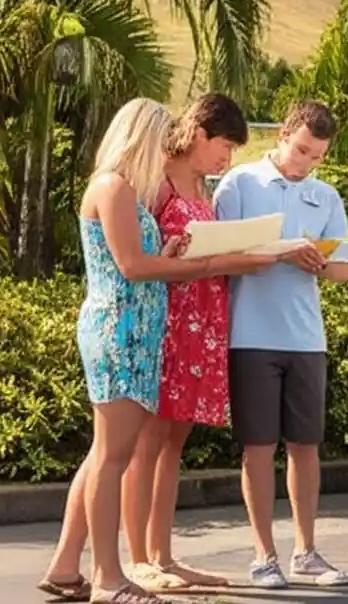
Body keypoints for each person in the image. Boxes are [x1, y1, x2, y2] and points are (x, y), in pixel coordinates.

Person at [36, 98, 271, 604]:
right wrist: (209, 266)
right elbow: (133, 268)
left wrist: (170, 255)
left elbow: (143, 259)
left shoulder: (126, 192)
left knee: (103, 454)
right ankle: (107, 577)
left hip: (136, 330)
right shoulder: (113, 186)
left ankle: (65, 567)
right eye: (164, 136)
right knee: (112, 456)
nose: (169, 146)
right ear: (141, 135)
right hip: (120, 331)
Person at [122, 93, 275, 592]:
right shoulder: (156, 178)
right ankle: (139, 557)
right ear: (200, 133)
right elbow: (141, 252)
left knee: (174, 441)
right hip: (167, 320)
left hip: (204, 321)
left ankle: (164, 555)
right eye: (225, 146)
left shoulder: (202, 185)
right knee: (148, 441)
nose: (227, 159)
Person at [212, 100, 348, 589]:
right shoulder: (239, 184)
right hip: (250, 335)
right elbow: (218, 256)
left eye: (317, 156)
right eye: (301, 151)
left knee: (306, 446)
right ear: (282, 136)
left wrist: (314, 261)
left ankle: (307, 553)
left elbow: (344, 270)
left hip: (305, 338)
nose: (306, 163)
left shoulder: (326, 196)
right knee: (257, 445)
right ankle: (263, 556)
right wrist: (275, 253)